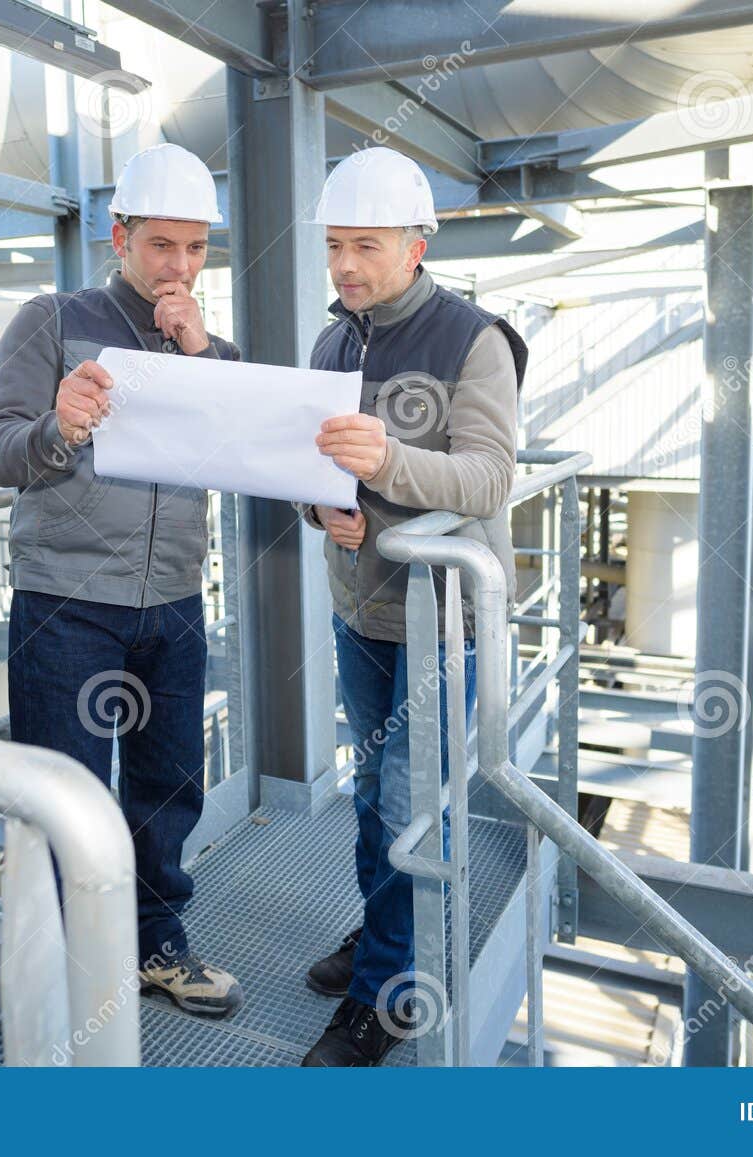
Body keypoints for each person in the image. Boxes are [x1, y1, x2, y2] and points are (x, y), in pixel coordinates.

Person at [0, 143, 243, 1018]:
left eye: (197, 248)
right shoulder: (50, 320)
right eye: (163, 245)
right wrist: (60, 425)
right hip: (67, 603)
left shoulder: (211, 348)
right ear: (120, 236)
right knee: (67, 788)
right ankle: (63, 970)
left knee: (168, 782)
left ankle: (158, 942)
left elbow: (251, 443)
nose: (180, 267)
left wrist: (204, 357)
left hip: (172, 599)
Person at [297, 147, 526, 1065]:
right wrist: (320, 503)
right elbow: (304, 466)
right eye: (335, 247)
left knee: (403, 809)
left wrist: (382, 462)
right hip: (362, 612)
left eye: (366, 245)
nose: (346, 265)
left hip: (444, 623)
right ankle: (381, 943)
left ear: (416, 246)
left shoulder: (475, 339)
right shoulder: (329, 340)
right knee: (369, 799)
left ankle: (387, 993)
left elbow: (487, 477)